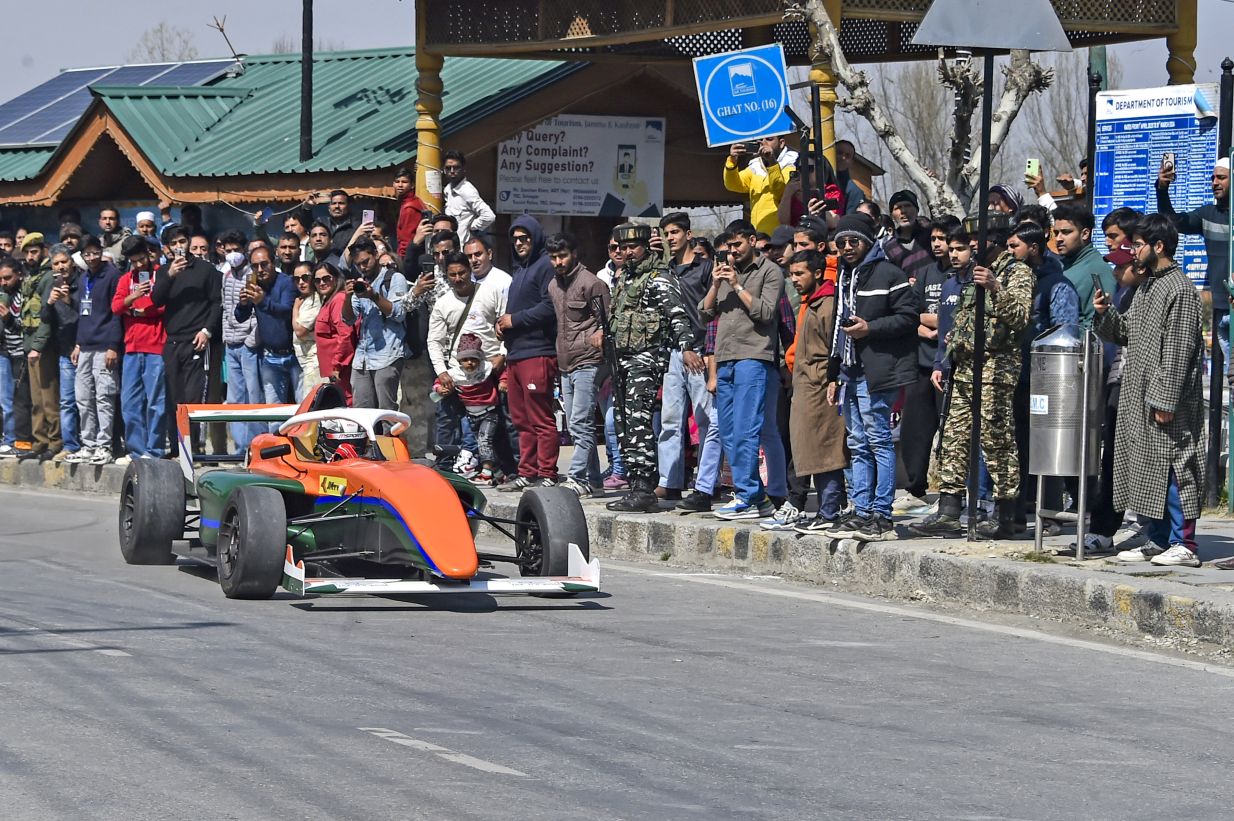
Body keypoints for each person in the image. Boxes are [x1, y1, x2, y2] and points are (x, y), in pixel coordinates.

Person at [910, 227, 1034, 540]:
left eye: (978, 240)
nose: (973, 246)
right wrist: (955, 340)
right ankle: (949, 511)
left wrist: (995, 287)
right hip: (965, 366)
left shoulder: (1016, 272)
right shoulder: (971, 274)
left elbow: (1020, 316)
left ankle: (1006, 514)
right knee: (954, 437)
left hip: (996, 366)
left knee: (996, 439)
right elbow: (965, 318)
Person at [1096, 215, 1204, 568]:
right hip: (1138, 394)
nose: (1132, 250)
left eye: (1139, 244)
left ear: (1158, 246)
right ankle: (1157, 539)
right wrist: (1105, 312)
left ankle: (1184, 543)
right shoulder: (1146, 287)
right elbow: (1126, 331)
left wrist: (1165, 399)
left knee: (1176, 468)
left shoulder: (1180, 290)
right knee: (1147, 468)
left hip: (1166, 398)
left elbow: (1178, 350)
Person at [827, 213, 918, 541]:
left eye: (854, 241)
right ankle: (861, 510)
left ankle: (883, 514)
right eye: (841, 242)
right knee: (856, 442)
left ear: (868, 242)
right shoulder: (843, 275)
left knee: (878, 439)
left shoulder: (889, 272)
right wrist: (833, 373)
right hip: (849, 371)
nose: (848, 247)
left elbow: (909, 317)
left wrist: (871, 329)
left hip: (876, 370)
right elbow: (838, 327)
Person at [697, 219, 785, 520]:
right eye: (729, 247)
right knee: (729, 431)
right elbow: (705, 312)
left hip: (754, 355)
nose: (732, 252)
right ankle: (757, 498)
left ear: (751, 240)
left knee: (748, 429)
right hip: (725, 357)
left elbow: (766, 312)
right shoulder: (723, 274)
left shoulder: (770, 271)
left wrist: (737, 284)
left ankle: (746, 496)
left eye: (737, 245)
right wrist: (717, 283)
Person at [604, 223, 694, 512]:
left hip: (646, 357)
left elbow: (678, 317)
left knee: (639, 419)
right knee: (622, 421)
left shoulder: (659, 279)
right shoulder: (625, 280)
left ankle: (644, 487)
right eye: (623, 248)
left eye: (633, 247)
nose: (628, 252)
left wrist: (687, 348)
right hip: (623, 359)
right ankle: (634, 482)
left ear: (646, 246)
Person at [777, 250, 848, 534]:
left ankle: (830, 509)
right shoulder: (812, 303)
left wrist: (825, 378)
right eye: (791, 274)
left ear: (817, 273)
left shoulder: (828, 304)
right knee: (811, 450)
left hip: (821, 388)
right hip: (806, 386)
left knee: (826, 451)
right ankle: (825, 509)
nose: (794, 280)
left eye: (800, 274)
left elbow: (834, 351)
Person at [895, 215, 960, 515]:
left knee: (952, 432)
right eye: (933, 239)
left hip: (952, 364)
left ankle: (953, 493)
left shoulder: (963, 275)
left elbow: (960, 314)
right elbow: (909, 310)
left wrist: (939, 321)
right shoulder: (925, 273)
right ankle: (914, 488)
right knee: (915, 429)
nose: (937, 245)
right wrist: (924, 325)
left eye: (942, 239)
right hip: (921, 361)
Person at [657, 212, 723, 512]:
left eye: (675, 232)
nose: (670, 238)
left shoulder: (706, 268)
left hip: (699, 351)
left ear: (688, 234)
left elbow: (713, 314)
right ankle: (669, 480)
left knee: (708, 420)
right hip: (673, 352)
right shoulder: (665, 271)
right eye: (666, 233)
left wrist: (704, 351)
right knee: (670, 420)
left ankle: (708, 482)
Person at [496, 216, 560, 490]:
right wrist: (503, 326)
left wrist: (515, 320)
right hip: (516, 354)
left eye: (525, 238)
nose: (520, 243)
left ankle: (546, 473)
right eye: (516, 239)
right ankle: (527, 471)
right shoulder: (520, 270)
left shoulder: (544, 265)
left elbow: (549, 307)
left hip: (537, 352)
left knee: (540, 418)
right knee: (520, 419)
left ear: (536, 238)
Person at [545, 232, 608, 496]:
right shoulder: (553, 286)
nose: (558, 262)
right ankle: (594, 480)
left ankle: (578, 477)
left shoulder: (592, 283)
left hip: (588, 361)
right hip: (565, 364)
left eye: (563, 256)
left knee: (581, 422)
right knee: (574, 424)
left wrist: (601, 333)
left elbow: (608, 320)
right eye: (554, 258)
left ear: (574, 254)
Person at [150, 226, 222, 454]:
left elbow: (216, 303)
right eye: (174, 243)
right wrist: (170, 275)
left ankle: (194, 449)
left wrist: (206, 330)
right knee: (174, 397)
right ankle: (178, 447)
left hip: (197, 339)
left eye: (182, 241)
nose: (179, 246)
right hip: (172, 342)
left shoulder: (206, 269)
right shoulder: (163, 271)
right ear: (167, 248)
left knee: (193, 397)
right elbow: (156, 300)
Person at [1157, 155, 1231, 360]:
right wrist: (1162, 189)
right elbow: (1174, 222)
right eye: (1213, 177)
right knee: (1231, 376)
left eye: (1222, 178)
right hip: (1220, 308)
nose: (1215, 182)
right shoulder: (1207, 214)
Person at [111, 236, 167, 462]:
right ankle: (136, 450)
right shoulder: (126, 279)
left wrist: (135, 310)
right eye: (134, 262)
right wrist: (133, 298)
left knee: (156, 402)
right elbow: (115, 307)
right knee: (130, 402)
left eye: (141, 259)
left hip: (156, 346)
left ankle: (155, 451)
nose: (139, 265)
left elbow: (161, 306)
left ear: (149, 253)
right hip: (132, 347)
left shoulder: (161, 274)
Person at [68, 235, 121, 465]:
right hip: (85, 346)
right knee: (82, 398)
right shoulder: (83, 278)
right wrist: (78, 344)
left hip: (104, 346)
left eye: (95, 252)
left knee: (104, 397)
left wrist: (113, 346)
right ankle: (87, 445)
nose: (92, 257)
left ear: (101, 251)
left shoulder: (112, 275)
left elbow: (116, 313)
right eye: (86, 254)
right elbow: (83, 314)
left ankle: (105, 446)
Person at [342, 239, 408, 410]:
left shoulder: (394, 278)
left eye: (366, 261)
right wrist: (348, 297)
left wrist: (374, 296)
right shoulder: (360, 283)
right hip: (362, 358)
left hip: (387, 355)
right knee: (362, 415)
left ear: (376, 255)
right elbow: (348, 319)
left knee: (387, 415)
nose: (363, 267)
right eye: (358, 265)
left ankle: (390, 438)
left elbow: (399, 313)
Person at [433, 332, 501, 482]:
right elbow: (438, 383)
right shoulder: (455, 373)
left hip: (488, 413)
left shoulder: (486, 368)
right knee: (468, 440)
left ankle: (487, 472)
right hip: (469, 414)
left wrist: (503, 382)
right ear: (459, 361)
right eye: (465, 359)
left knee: (485, 441)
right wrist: (440, 389)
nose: (469, 363)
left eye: (473, 359)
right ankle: (468, 466)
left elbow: (502, 371)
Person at [235, 245, 298, 405]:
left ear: (273, 262)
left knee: (302, 408)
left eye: (264, 264)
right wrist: (243, 304)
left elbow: (286, 311)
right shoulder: (254, 285)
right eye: (255, 266)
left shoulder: (286, 282)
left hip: (295, 355)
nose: (260, 269)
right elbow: (240, 318)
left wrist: (262, 301)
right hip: (270, 356)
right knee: (273, 411)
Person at [17, 233, 59, 461]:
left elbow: (47, 317)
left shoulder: (48, 277)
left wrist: (39, 346)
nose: (31, 256)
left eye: (34, 251)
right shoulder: (30, 277)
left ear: (43, 251)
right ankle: (40, 441)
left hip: (43, 346)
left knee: (48, 397)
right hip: (30, 343)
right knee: (36, 400)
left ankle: (54, 441)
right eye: (27, 252)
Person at [42, 243, 82, 462]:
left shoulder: (83, 281)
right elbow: (45, 319)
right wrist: (50, 303)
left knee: (87, 402)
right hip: (64, 351)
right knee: (67, 401)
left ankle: (91, 444)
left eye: (63, 262)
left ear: (72, 262)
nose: (60, 267)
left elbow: (87, 317)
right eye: (56, 263)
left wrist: (69, 301)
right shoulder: (52, 285)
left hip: (85, 348)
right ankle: (70, 445)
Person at [1052, 203, 1116, 328]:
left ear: (1085, 234)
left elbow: (1099, 324)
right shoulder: (1060, 265)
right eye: (1056, 232)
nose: (1058, 238)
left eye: (1066, 232)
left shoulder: (1098, 270)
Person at [723, 136, 797, 235]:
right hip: (758, 235)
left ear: (781, 143)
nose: (763, 143)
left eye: (769, 139)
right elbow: (733, 185)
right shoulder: (756, 166)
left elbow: (780, 193)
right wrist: (732, 160)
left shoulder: (792, 164)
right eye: (760, 140)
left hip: (780, 236)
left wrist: (772, 162)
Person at [312, 263, 357, 404]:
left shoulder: (338, 299)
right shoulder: (329, 300)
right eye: (317, 280)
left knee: (347, 405)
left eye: (326, 278)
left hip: (341, 370)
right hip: (334, 371)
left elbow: (345, 335)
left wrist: (337, 365)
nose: (322, 283)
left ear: (336, 278)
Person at [0, 258, 28, 458]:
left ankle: (14, 440)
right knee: (5, 399)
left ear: (18, 275)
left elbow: (25, 325)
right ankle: (8, 439)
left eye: (7, 278)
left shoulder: (22, 295)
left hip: (20, 353)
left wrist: (8, 318)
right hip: (4, 351)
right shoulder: (4, 295)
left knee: (16, 400)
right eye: (1, 279)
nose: (3, 282)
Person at [442, 150, 496, 245]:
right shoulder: (447, 190)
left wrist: (471, 227)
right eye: (448, 168)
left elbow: (489, 216)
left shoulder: (467, 191)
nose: (452, 171)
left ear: (463, 169)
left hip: (464, 249)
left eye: (456, 168)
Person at [881, 190, 934, 280]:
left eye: (908, 206)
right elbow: (893, 278)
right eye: (898, 208)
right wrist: (905, 282)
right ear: (892, 215)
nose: (903, 211)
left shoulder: (930, 235)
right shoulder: (890, 246)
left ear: (917, 210)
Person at [290, 261, 324, 400]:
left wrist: (295, 309)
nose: (301, 282)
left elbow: (300, 331)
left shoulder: (316, 299)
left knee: (310, 403)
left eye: (305, 277)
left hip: (314, 360)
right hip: (305, 360)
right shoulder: (305, 299)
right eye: (296, 279)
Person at [392, 166, 429, 258]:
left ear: (412, 185)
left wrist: (402, 259)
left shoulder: (409, 208)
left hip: (410, 256)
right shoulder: (411, 202)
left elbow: (406, 239)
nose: (400, 185)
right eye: (397, 182)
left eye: (404, 182)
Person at [326, 189, 355, 254]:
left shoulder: (356, 227)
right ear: (329, 207)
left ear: (348, 206)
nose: (337, 206)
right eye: (334, 203)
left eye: (341, 203)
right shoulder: (322, 222)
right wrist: (307, 207)